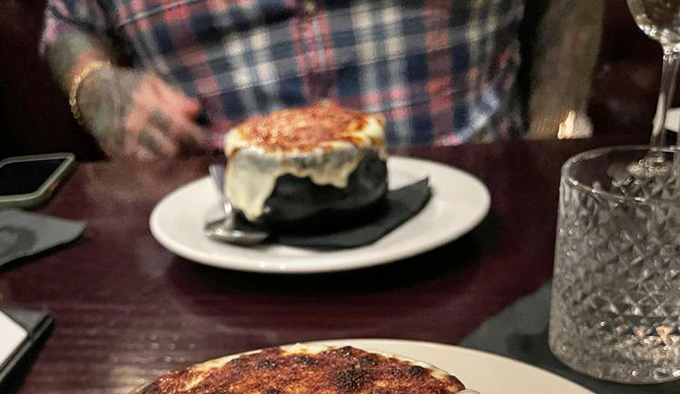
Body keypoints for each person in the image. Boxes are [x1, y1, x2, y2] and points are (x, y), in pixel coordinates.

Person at [41, 0, 603, 160]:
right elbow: (67, 20)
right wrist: (91, 82)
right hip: (205, 210)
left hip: (475, 187)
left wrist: (555, 129)